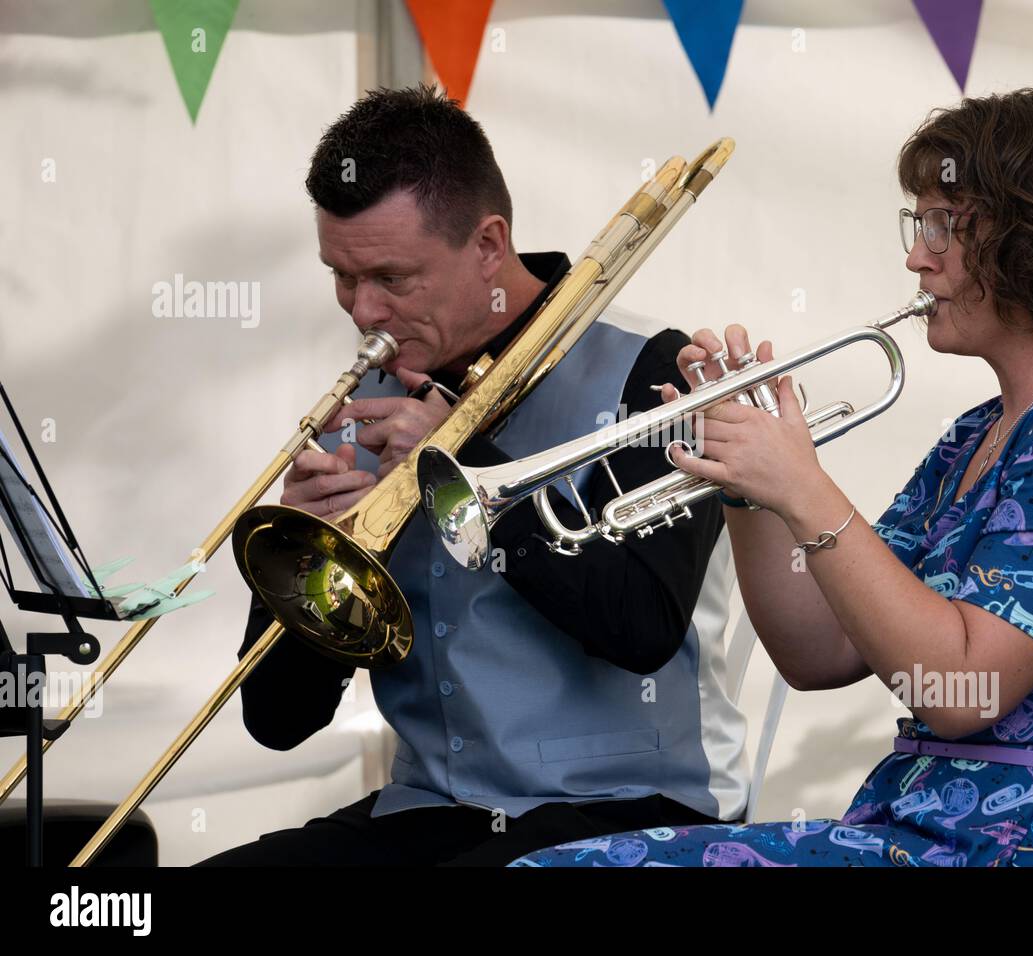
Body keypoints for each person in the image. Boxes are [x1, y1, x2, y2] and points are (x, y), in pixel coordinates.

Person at [513, 88, 1033, 867]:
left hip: (1017, 844)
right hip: (917, 825)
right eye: (920, 224)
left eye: (945, 225)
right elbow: (819, 652)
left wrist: (805, 487)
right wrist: (746, 476)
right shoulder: (984, 430)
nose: (916, 256)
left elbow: (956, 692)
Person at [198, 87, 748, 866]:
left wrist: (467, 477)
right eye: (342, 277)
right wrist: (309, 554)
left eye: (392, 277)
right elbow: (279, 723)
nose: (362, 312)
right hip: (434, 808)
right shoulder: (374, 400)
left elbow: (641, 626)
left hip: (630, 809)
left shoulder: (649, 372)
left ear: (489, 245)